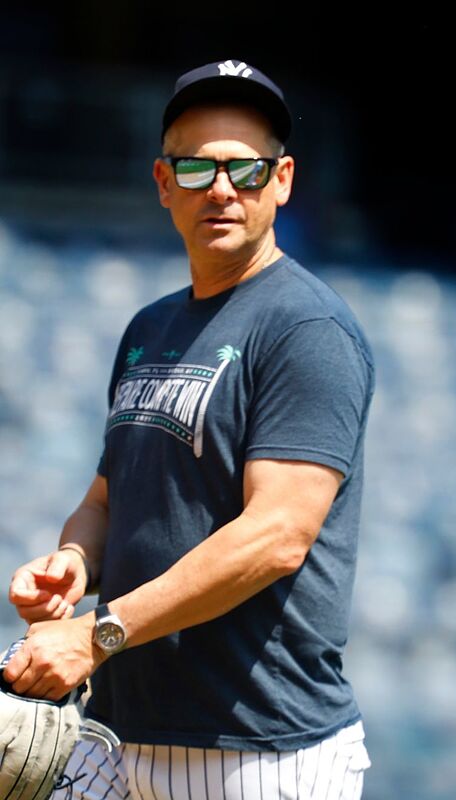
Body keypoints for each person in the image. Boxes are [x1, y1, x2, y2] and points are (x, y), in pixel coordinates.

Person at [3, 59, 375, 798]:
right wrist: (75, 561)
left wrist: (95, 633)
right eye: (196, 169)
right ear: (164, 183)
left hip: (256, 748)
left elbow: (277, 536)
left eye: (244, 169)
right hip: (113, 731)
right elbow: (109, 499)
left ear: (284, 180)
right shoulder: (150, 327)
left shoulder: (307, 328)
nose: (222, 189)